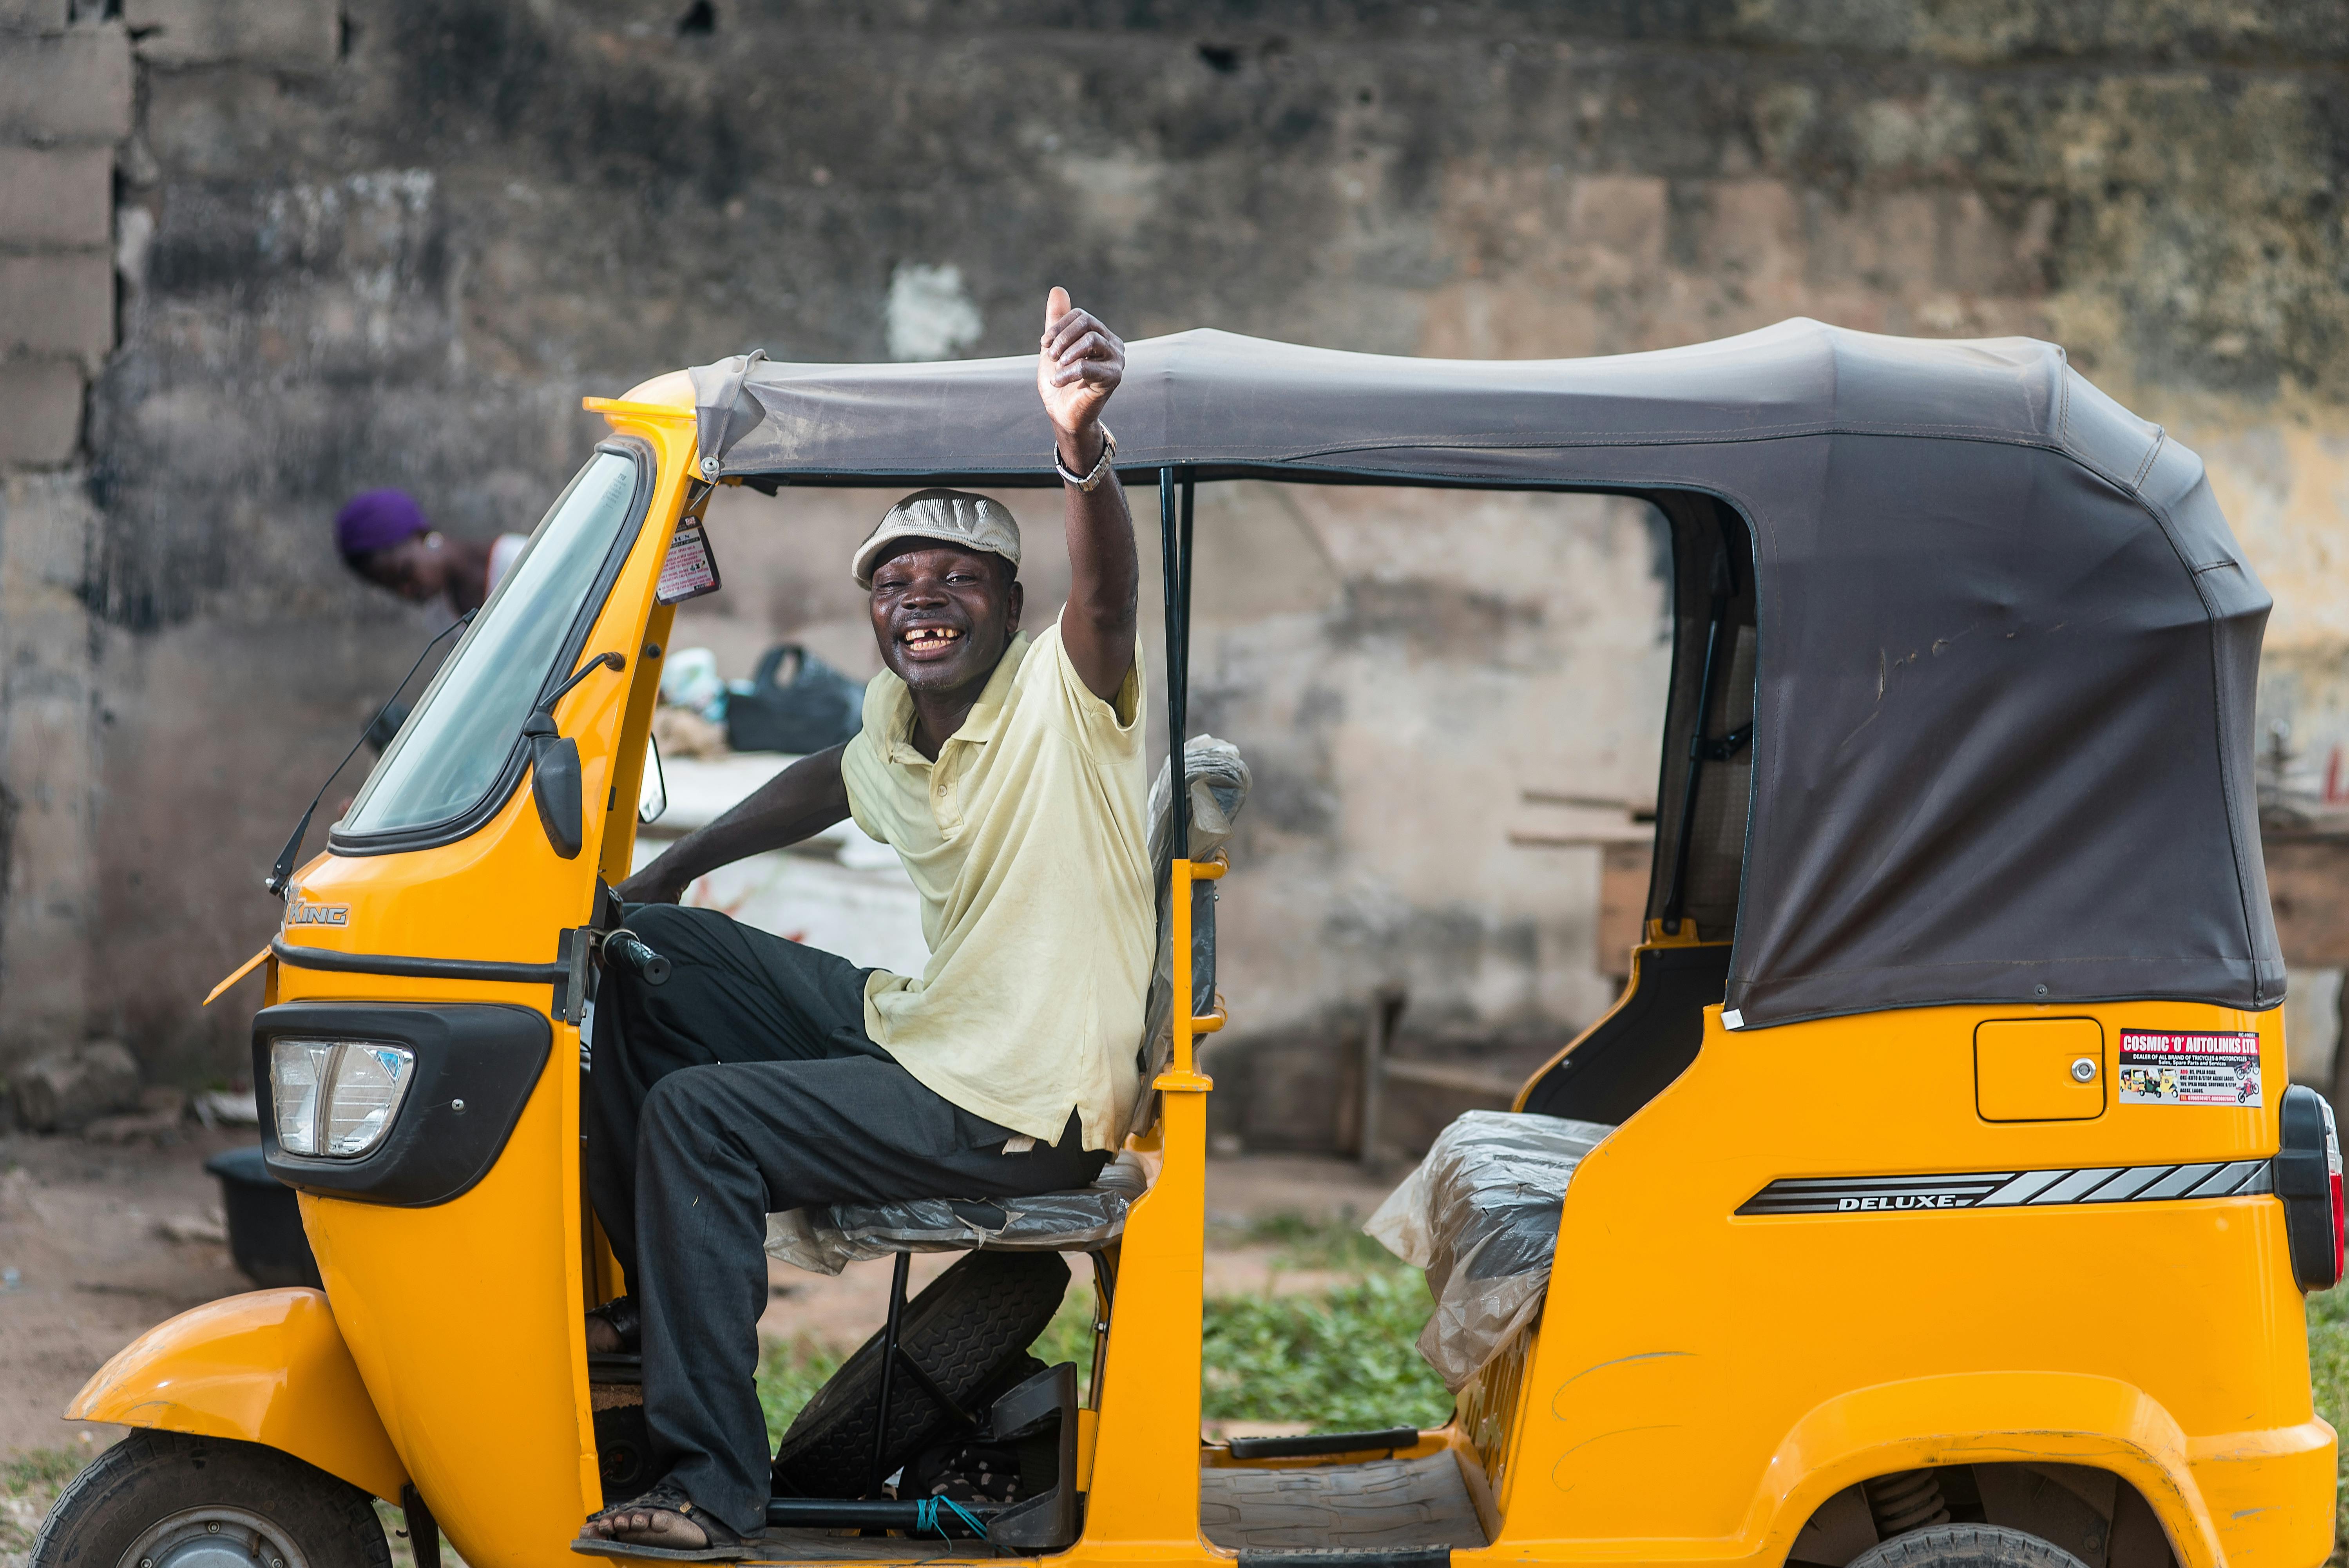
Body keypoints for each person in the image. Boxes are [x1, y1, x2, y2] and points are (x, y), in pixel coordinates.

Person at [574, 288, 1146, 1561]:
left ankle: (711, 1484)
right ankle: (646, 1310)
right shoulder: (903, 727)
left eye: (953, 579)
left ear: (1008, 605)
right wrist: (666, 877)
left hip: (1018, 1101)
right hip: (935, 1029)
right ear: (872, 612)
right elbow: (825, 778)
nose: (919, 598)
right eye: (894, 582)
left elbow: (1104, 600)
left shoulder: (1065, 699)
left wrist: (1081, 450)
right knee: (635, 956)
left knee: (696, 1115)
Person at [334, 487, 526, 615]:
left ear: (421, 535)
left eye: (405, 573)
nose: (408, 591)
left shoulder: (520, 562)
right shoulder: (441, 612)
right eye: (393, 589)